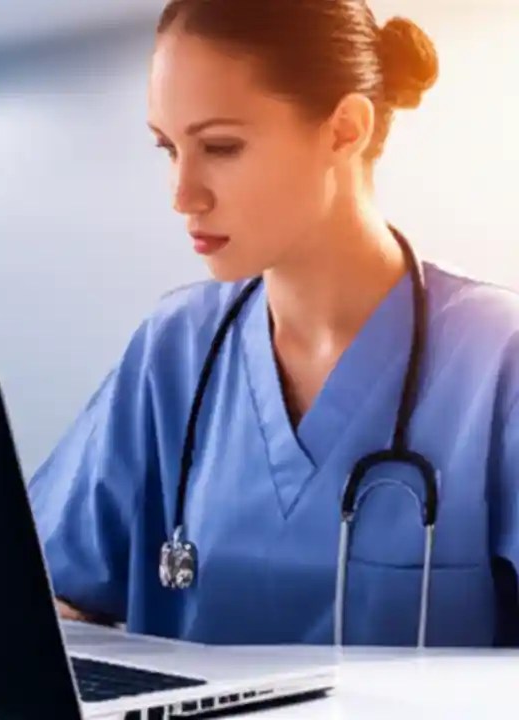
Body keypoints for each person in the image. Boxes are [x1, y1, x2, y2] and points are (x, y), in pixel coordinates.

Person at [28, 0, 519, 647]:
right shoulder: (172, 350)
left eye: (220, 147)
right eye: (168, 148)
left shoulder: (497, 357)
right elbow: (52, 592)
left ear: (345, 129)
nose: (182, 194)